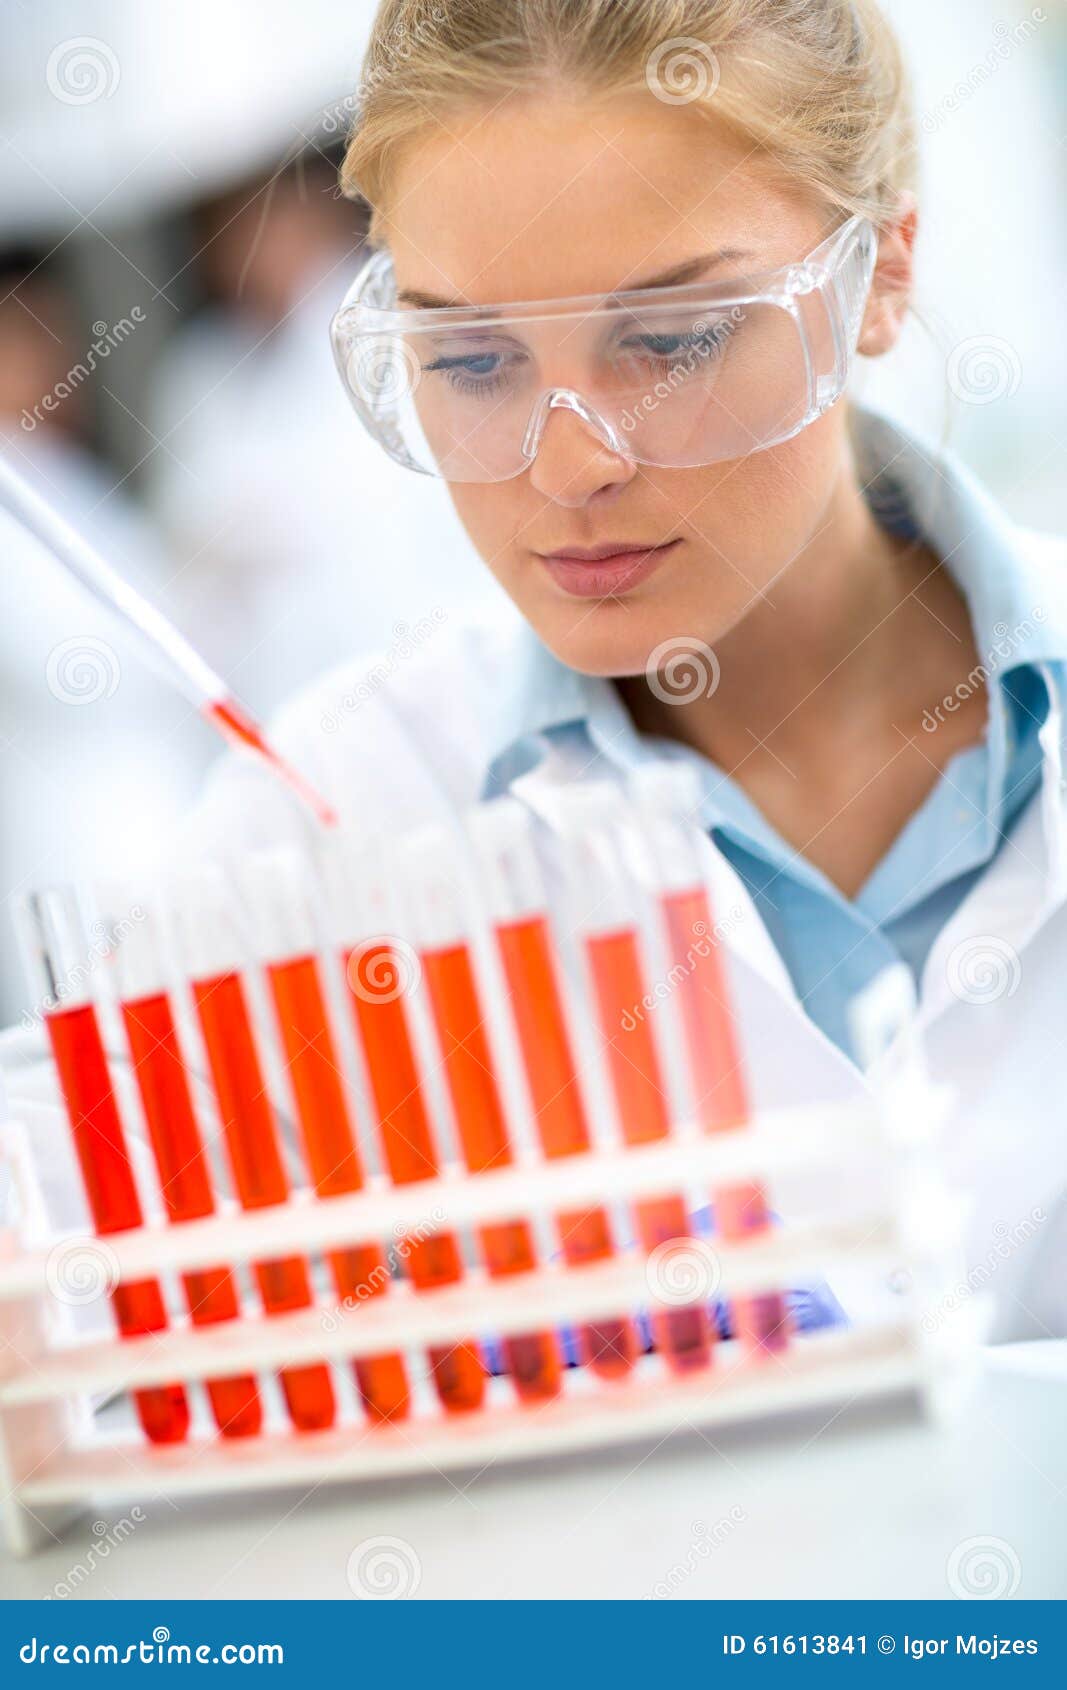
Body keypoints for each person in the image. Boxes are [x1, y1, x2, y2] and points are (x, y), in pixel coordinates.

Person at [10, 0, 1067, 1344]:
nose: (569, 467)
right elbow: (47, 1195)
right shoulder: (347, 803)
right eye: (473, 359)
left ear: (885, 273)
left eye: (672, 338)